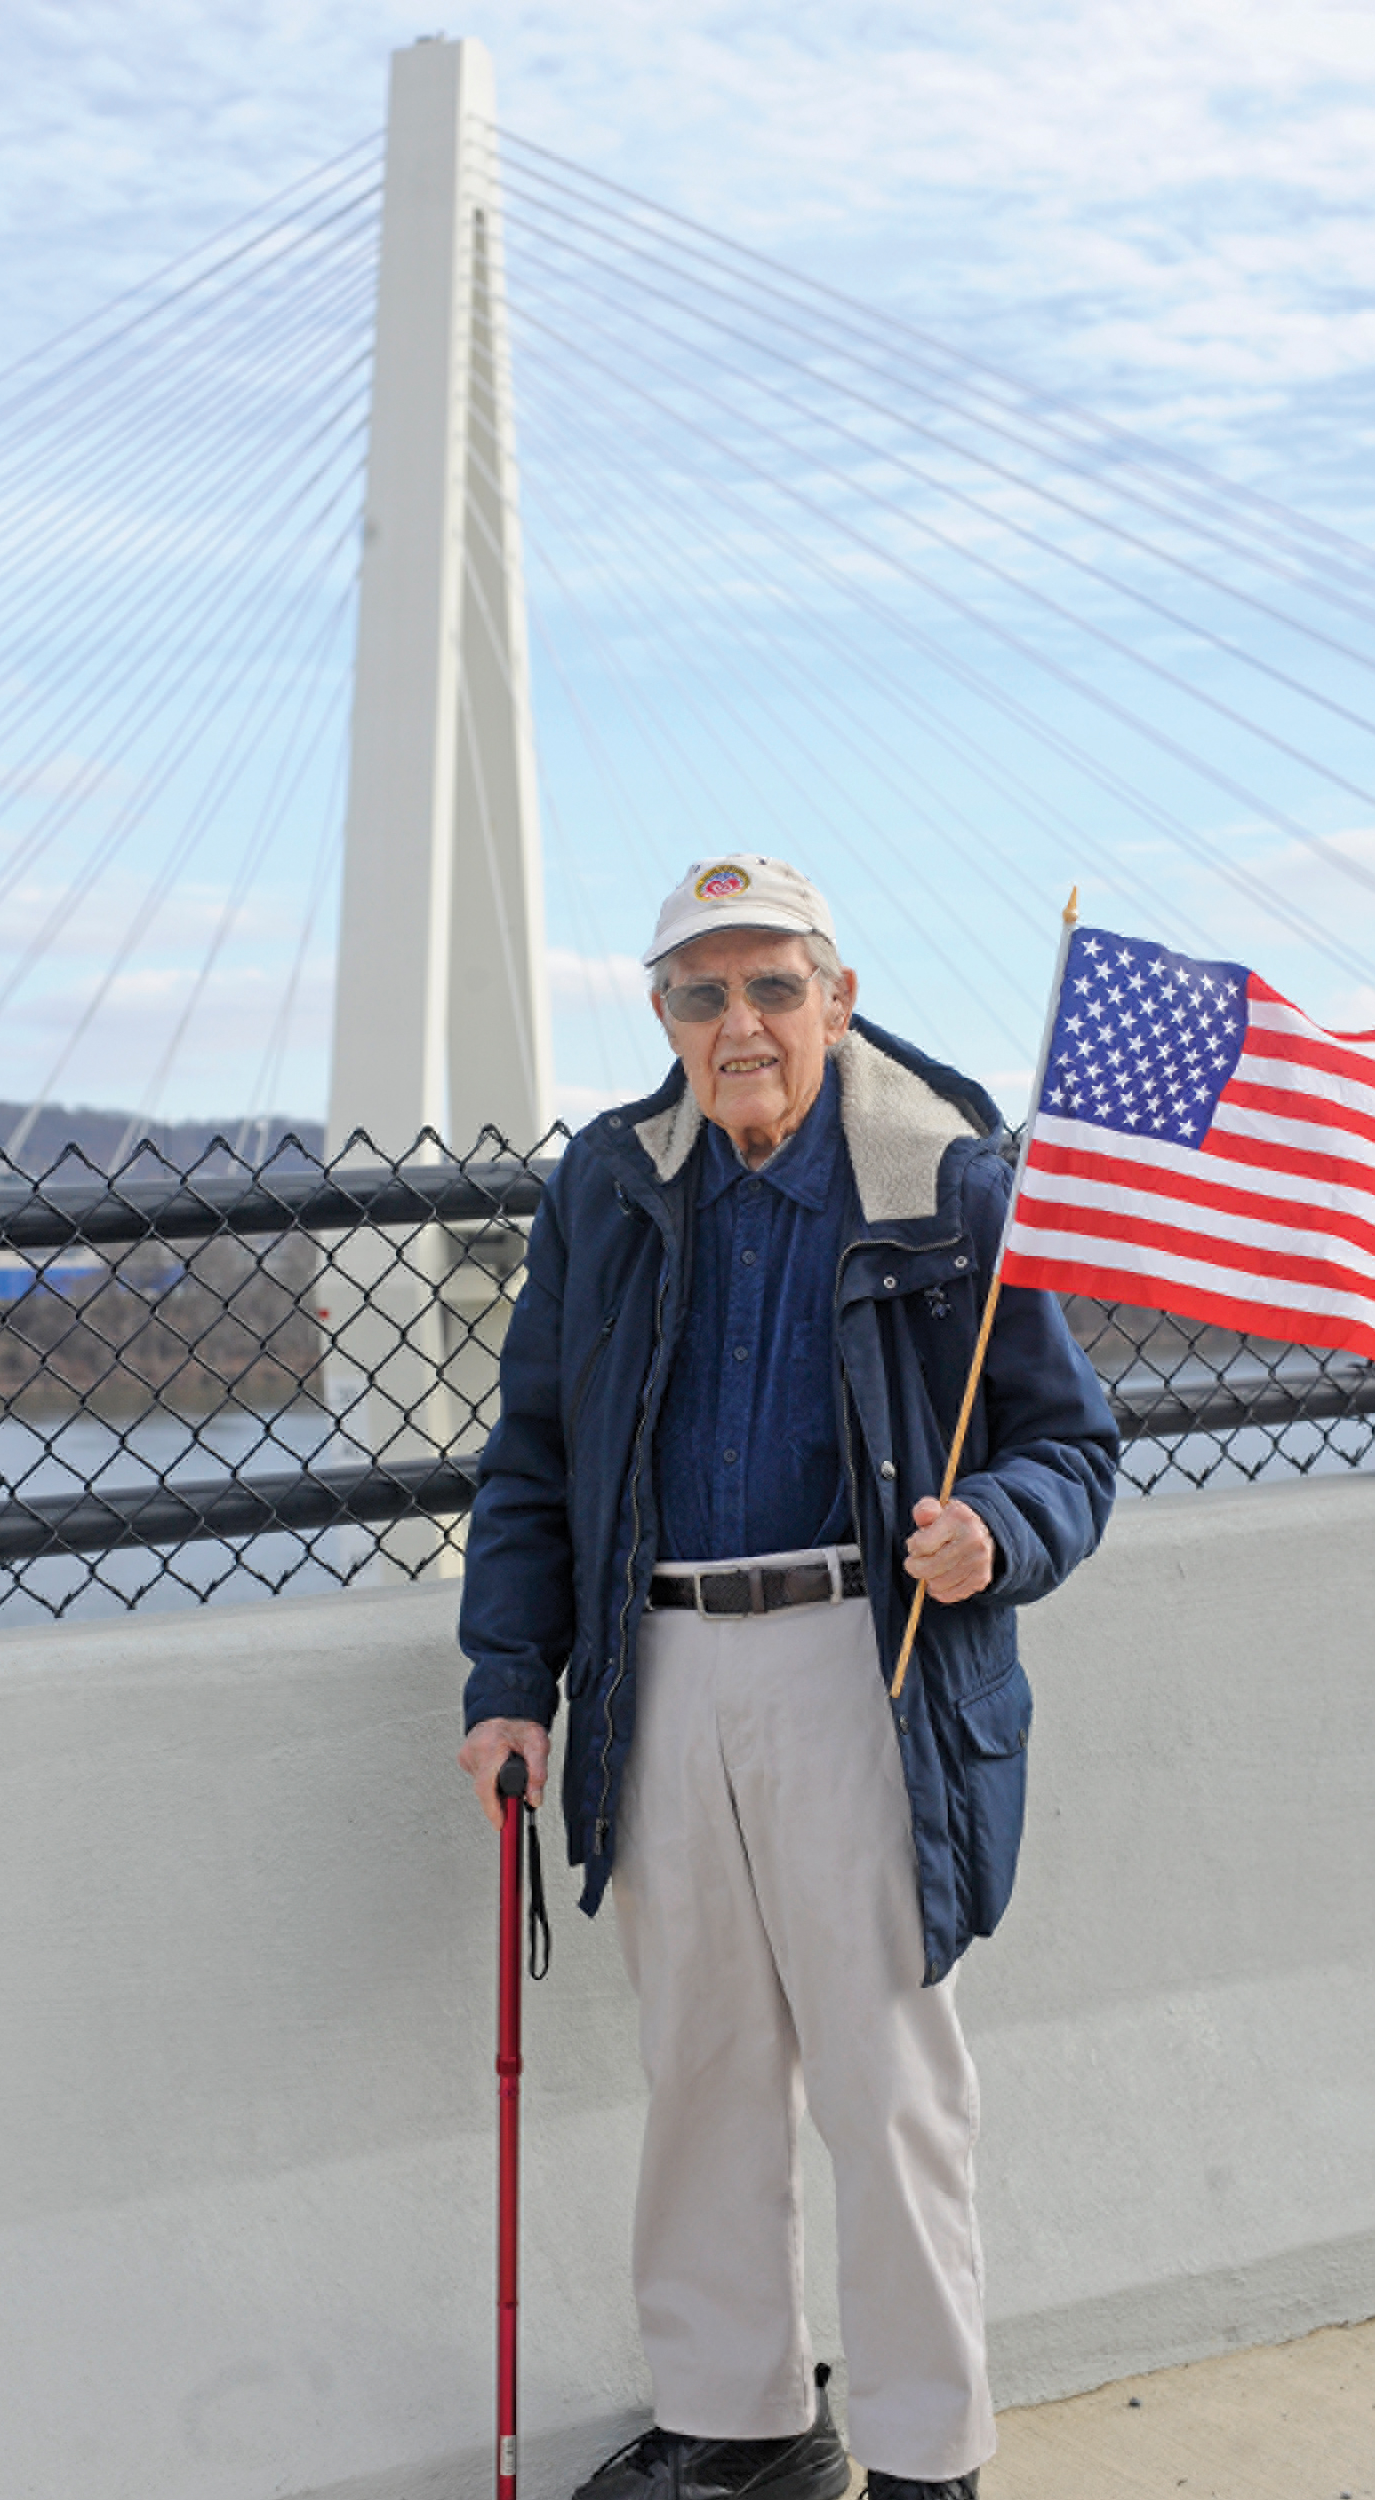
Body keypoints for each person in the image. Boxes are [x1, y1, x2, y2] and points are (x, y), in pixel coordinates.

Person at [458, 855, 1118, 2500]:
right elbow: (534, 1452)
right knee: (703, 2063)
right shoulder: (609, 1183)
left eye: (771, 985)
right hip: (656, 1663)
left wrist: (998, 1536)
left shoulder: (948, 1177)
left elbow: (1071, 1445)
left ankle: (923, 2455)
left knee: (888, 2081)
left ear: (836, 993)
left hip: (863, 1660)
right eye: (702, 992)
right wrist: (506, 1682)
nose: (738, 1023)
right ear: (664, 1016)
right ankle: (740, 2428)